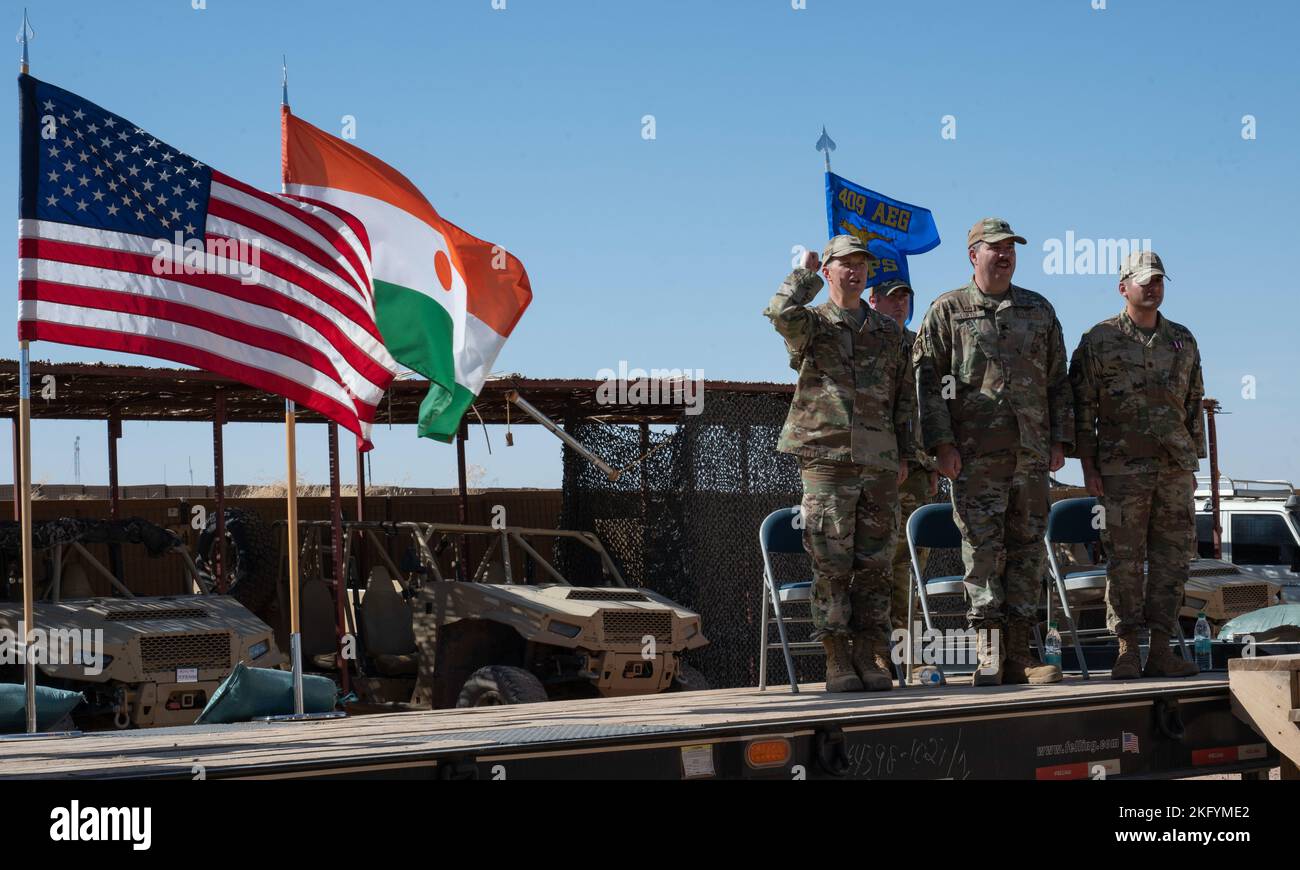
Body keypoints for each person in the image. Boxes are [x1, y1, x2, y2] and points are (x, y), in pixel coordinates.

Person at [913, 218, 1073, 686]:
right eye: (994, 248)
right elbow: (928, 384)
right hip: (975, 456)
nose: (1004, 255)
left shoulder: (1038, 310)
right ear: (973, 255)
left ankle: (1023, 654)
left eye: (1011, 249)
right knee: (983, 552)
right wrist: (941, 443)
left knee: (1027, 551)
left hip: (1031, 454)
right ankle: (990, 654)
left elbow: (1057, 380)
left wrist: (1060, 440)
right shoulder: (948, 310)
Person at [765, 235, 915, 692]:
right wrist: (804, 274)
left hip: (880, 460)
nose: (855, 270)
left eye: (861, 264)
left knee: (876, 563)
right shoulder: (812, 324)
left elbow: (904, 397)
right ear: (829, 271)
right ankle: (836, 658)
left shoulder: (889, 332)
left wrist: (906, 452)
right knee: (831, 563)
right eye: (845, 264)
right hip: (826, 457)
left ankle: (873, 653)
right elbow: (777, 313)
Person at [1069, 250, 1203, 679]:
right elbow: (1081, 406)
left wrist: (1192, 459)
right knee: (1123, 562)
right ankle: (1127, 647)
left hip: (1174, 469)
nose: (1153, 287)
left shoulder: (1182, 339)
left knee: (1171, 561)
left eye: (1159, 280)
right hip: (1121, 470)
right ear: (1123, 286)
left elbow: (1193, 402)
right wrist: (1089, 466)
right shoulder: (1099, 339)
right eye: (1144, 280)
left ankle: (1161, 648)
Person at [868, 278, 941, 678]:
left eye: (905, 298)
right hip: (874, 469)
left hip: (914, 473)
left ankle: (909, 656)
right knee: (876, 567)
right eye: (891, 298)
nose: (899, 305)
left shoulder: (918, 345)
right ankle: (877, 653)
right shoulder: (863, 343)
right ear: (872, 300)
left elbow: (929, 407)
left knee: (910, 567)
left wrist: (929, 467)